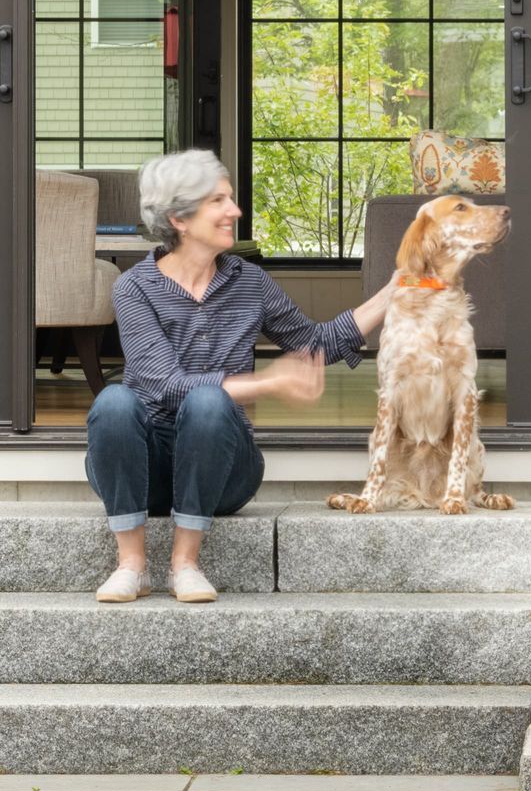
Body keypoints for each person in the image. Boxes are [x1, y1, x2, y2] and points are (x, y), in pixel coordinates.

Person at [88, 148, 398, 604]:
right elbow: (164, 385)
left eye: (229, 199)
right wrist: (270, 382)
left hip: (225, 470)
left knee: (210, 404)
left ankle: (185, 564)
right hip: (145, 471)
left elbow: (312, 343)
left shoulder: (248, 282)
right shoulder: (134, 287)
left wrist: (392, 292)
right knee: (114, 402)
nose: (234, 211)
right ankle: (131, 565)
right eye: (218, 201)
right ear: (179, 217)